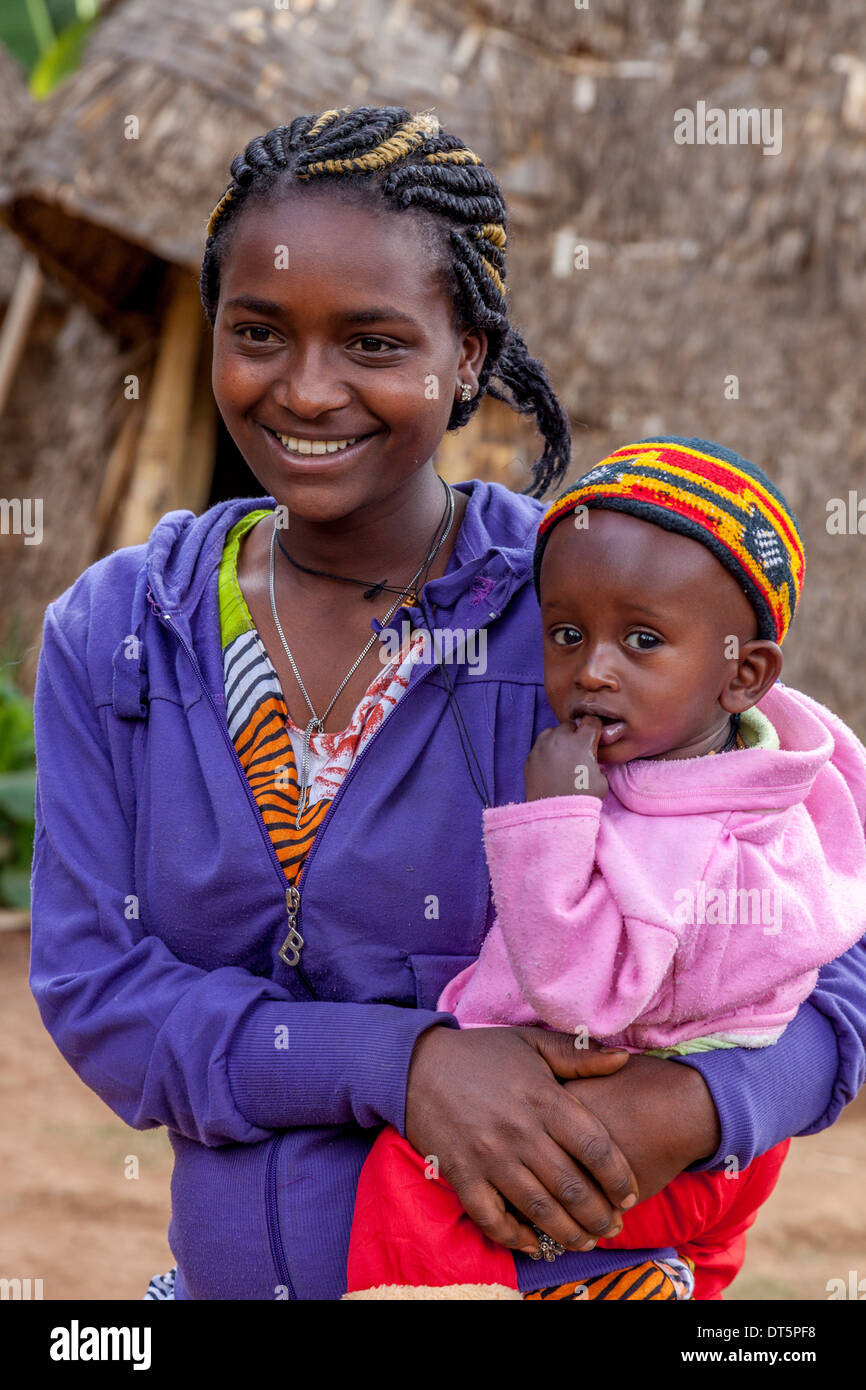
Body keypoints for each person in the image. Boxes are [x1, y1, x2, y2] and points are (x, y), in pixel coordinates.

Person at [28, 107, 866, 1302]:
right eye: (258, 332)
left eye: (372, 343)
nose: (306, 390)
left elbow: (834, 914)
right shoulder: (120, 632)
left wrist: (696, 1103)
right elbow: (98, 988)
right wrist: (403, 1061)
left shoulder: (586, 614)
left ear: (466, 356)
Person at [344, 437, 866, 1299]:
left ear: (745, 675)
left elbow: (581, 993)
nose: (592, 669)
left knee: (418, 1175)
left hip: (655, 1140)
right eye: (566, 633)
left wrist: (553, 818)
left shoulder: (685, 830)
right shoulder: (780, 778)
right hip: (733, 1155)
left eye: (643, 640)